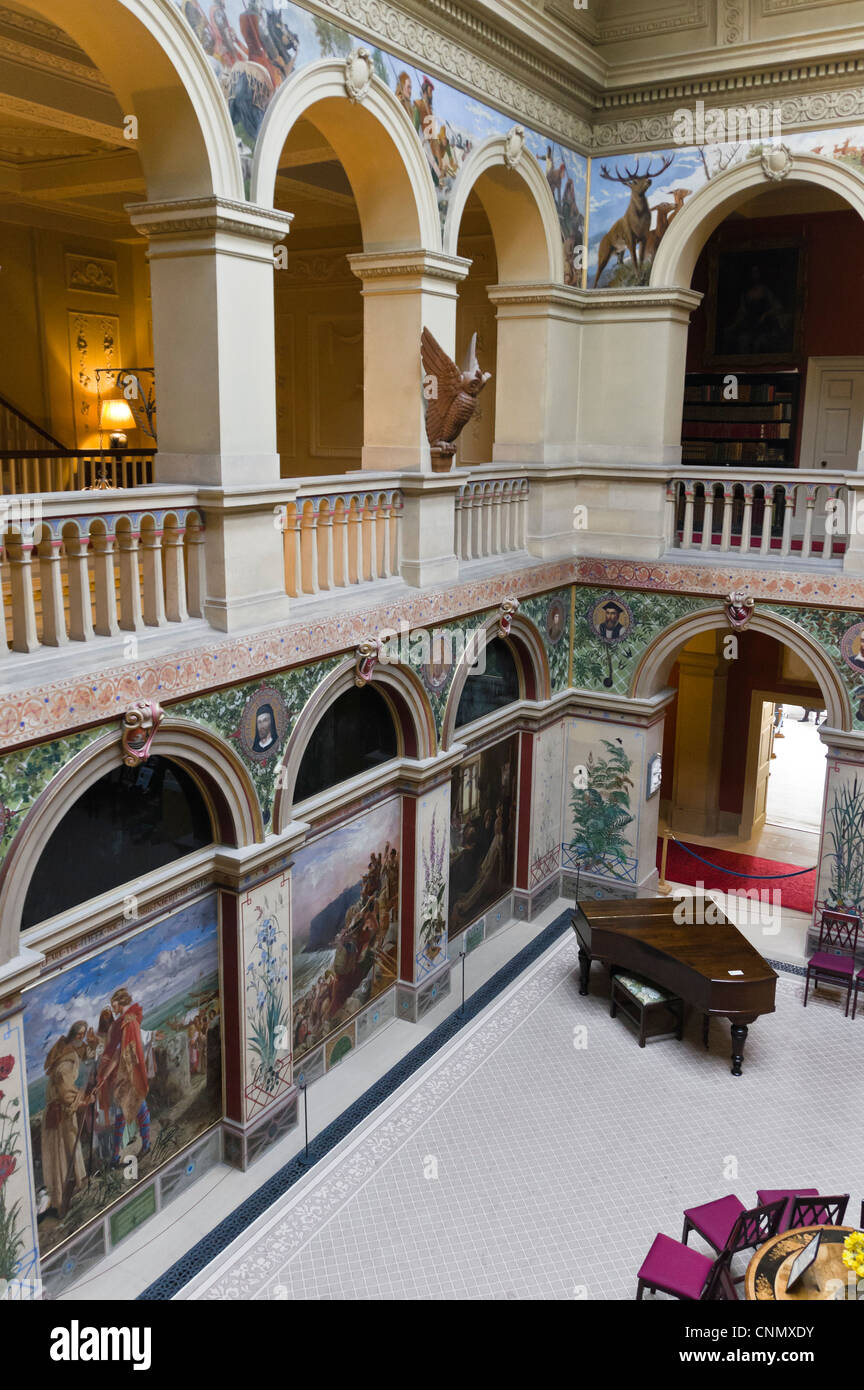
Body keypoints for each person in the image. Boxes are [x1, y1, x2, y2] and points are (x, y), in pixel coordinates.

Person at [41, 1022, 98, 1216]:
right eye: (79, 1034)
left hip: (64, 1113)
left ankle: (78, 1184)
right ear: (73, 1035)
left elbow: (87, 1054)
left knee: (71, 1147)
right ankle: (62, 1200)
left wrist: (93, 1046)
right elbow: (66, 1095)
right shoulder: (65, 1064)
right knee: (62, 1155)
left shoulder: (71, 1053)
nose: (81, 1037)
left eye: (83, 1034)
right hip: (59, 1116)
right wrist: (85, 1101)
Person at [96, 988, 152, 1167]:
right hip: (125, 1075)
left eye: (114, 1005)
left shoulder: (128, 1022)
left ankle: (143, 1145)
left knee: (138, 1109)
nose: (113, 1009)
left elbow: (122, 1053)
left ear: (121, 1002)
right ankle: (117, 1155)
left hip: (127, 1075)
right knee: (128, 1112)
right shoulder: (126, 1021)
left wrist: (105, 1075)